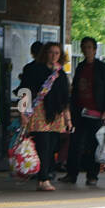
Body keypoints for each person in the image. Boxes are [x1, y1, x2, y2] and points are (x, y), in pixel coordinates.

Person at [61, 37, 105, 186]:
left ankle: (92, 175)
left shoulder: (102, 68)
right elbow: (76, 89)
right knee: (75, 143)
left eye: (90, 47)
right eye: (84, 47)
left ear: (95, 49)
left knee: (93, 144)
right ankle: (71, 174)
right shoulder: (80, 67)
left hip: (96, 112)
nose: (87, 50)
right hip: (80, 112)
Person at [21, 42, 71, 191]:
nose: (54, 56)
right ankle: (43, 178)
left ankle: (45, 173)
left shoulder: (61, 73)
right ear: (45, 53)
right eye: (51, 52)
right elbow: (26, 90)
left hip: (56, 113)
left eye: (57, 53)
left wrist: (68, 118)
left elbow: (65, 97)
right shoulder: (34, 70)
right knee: (43, 144)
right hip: (39, 111)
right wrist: (22, 112)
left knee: (52, 145)